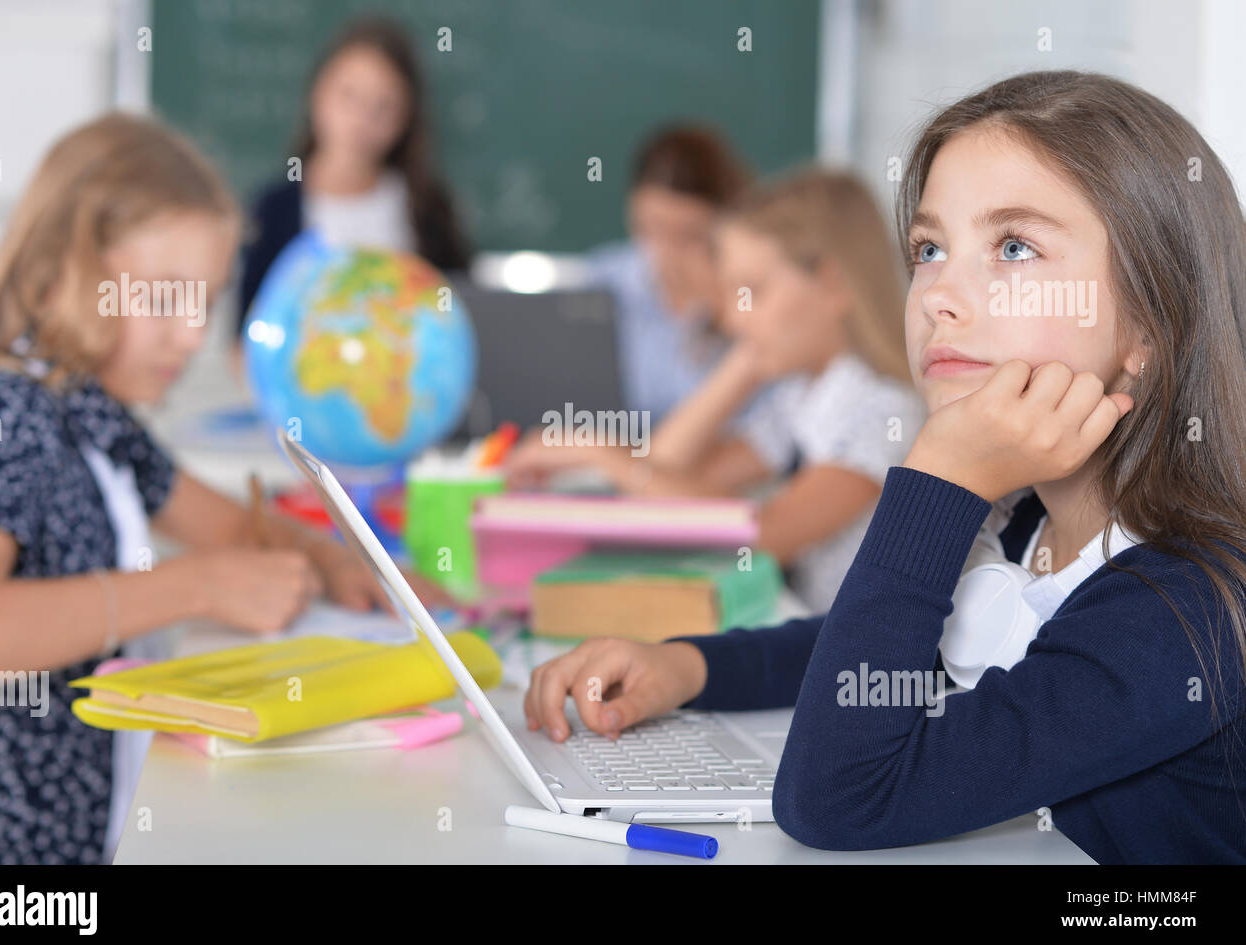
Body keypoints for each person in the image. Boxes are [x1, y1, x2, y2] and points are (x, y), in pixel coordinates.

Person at [521, 71, 1246, 864]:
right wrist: (687, 664)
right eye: (929, 249)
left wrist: (940, 482)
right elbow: (877, 656)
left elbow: (835, 797)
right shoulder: (1029, 526)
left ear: (1149, 324)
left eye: (1013, 247)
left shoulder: (1178, 606)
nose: (939, 294)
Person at [0, 113, 409, 864]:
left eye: (208, 299)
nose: (193, 334)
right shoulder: (0, 408)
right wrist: (192, 587)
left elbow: (232, 530)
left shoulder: (94, 416)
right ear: (70, 270)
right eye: (167, 295)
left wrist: (349, 566)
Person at [510, 168, 926, 615]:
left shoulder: (882, 412)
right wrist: (745, 364)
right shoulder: (804, 395)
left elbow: (762, 535)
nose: (731, 318)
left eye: (752, 292)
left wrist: (599, 454)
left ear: (830, 283)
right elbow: (667, 470)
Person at [235, 16, 470, 346]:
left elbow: (460, 314)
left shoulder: (426, 209)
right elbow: (242, 334)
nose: (361, 120)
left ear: (406, 119)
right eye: (348, 95)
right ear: (317, 92)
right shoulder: (273, 210)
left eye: (383, 106)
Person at [586, 125, 749, 424]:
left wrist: (725, 316)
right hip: (609, 456)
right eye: (654, 228)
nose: (667, 253)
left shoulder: (747, 297)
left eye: (689, 236)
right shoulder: (600, 281)